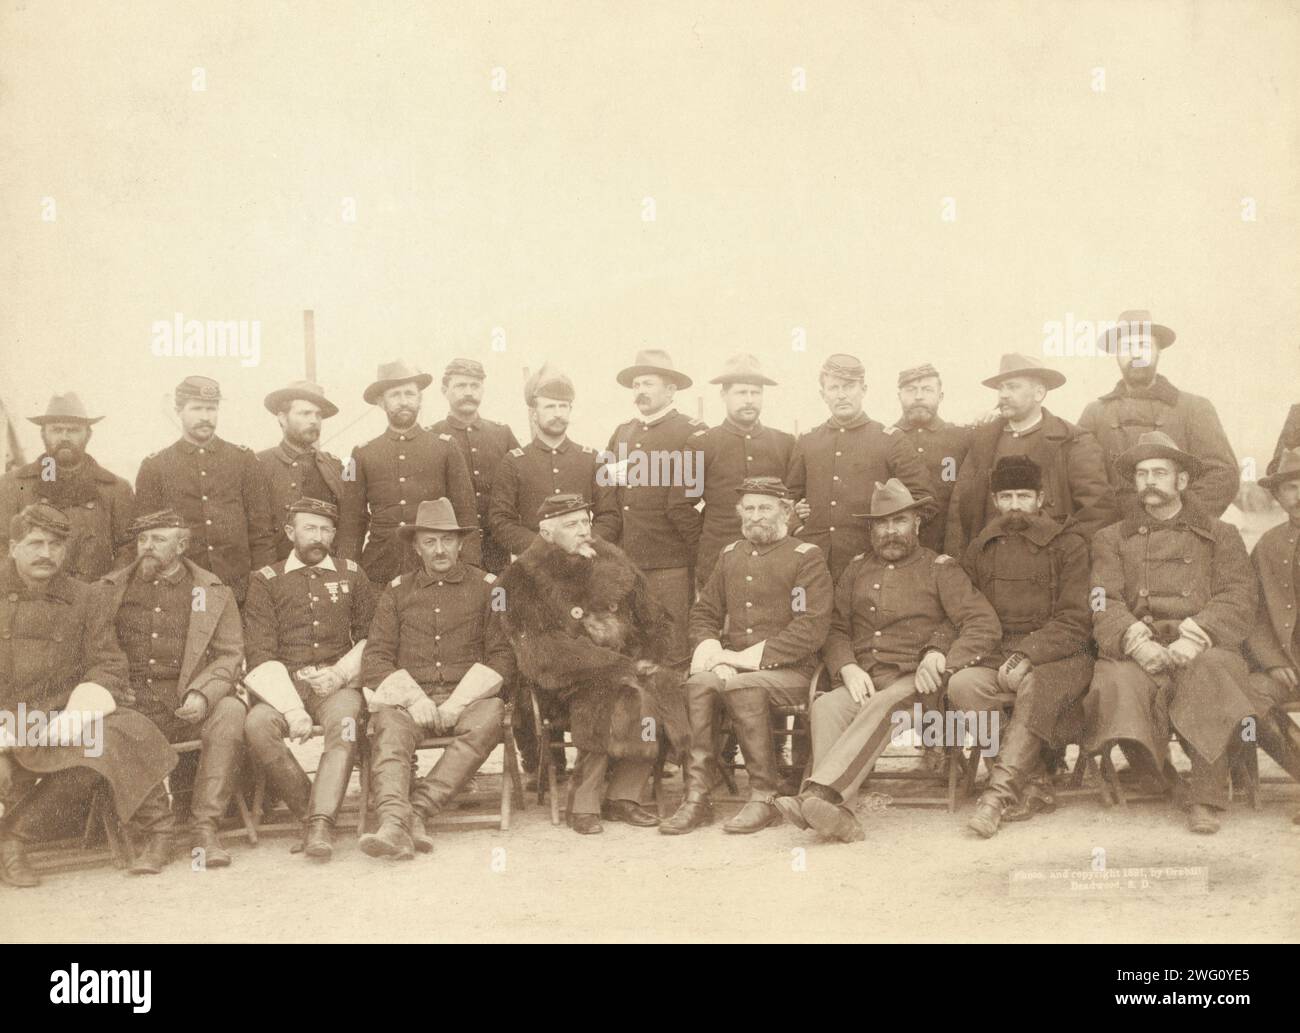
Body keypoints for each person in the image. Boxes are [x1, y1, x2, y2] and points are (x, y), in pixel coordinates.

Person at [775, 480, 999, 842]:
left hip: (918, 686)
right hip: (864, 677)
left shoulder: (940, 569)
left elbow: (982, 623)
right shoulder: (856, 568)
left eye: (900, 521)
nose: (890, 531)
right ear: (870, 529)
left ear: (918, 524)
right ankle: (841, 815)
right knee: (828, 706)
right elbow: (834, 627)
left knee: (885, 705)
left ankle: (819, 795)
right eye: (881, 523)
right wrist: (846, 666)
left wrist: (942, 656)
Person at [1085, 431, 1257, 834]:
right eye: (1142, 473)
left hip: (1202, 644)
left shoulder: (1221, 534)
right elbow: (1100, 599)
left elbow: (1238, 596)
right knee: (1115, 681)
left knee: (1211, 674)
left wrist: (1194, 637)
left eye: (1160, 472)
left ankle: (1206, 796)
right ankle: (1164, 780)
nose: (1149, 481)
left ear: (1182, 481)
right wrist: (1135, 640)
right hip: (1137, 644)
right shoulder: (1111, 538)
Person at [0, 504, 175, 887]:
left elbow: (108, 664)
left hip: (63, 714)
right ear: (13, 547)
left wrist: (78, 713)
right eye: (35, 543)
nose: (46, 553)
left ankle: (13, 839)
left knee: (116, 738)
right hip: (10, 716)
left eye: (55, 545)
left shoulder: (86, 598)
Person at [499, 493, 689, 835]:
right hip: (564, 679)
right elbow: (539, 648)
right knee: (607, 695)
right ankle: (583, 802)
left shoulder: (612, 559)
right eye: (571, 525)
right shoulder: (522, 575)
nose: (583, 530)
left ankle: (624, 796)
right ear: (546, 531)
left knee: (654, 694)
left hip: (627, 668)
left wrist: (647, 657)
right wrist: (611, 664)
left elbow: (655, 619)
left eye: (586, 522)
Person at [661, 477, 831, 836]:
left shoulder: (806, 557)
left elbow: (810, 628)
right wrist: (710, 648)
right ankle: (697, 796)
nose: (756, 516)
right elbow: (705, 611)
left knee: (741, 687)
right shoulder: (730, 555)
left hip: (793, 673)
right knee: (700, 684)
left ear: (785, 511)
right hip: (736, 668)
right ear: (740, 513)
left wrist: (739, 660)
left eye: (765, 507)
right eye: (749, 508)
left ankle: (764, 796)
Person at [358, 498, 513, 859]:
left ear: (460, 543)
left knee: (488, 717)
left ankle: (417, 811)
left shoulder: (490, 588)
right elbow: (376, 657)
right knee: (389, 729)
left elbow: (503, 657)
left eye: (447, 540)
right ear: (416, 547)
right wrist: (415, 700)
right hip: (414, 699)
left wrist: (459, 701)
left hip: (470, 699)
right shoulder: (396, 592)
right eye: (430, 542)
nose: (440, 550)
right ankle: (394, 823)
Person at [948, 456, 1094, 838]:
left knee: (1034, 684)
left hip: (1061, 653)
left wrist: (1028, 654)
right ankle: (1034, 782)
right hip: (998, 650)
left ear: (1040, 498)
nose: (1015, 506)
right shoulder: (981, 547)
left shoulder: (1069, 545)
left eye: (1023, 496)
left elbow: (1077, 618)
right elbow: (966, 608)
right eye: (1007, 496)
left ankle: (996, 797)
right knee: (963, 685)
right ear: (995, 501)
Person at [98, 508, 247, 868]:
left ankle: (205, 829)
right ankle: (158, 833)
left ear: (181, 545)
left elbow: (230, 655)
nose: (147, 547)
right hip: (131, 703)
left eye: (158, 539)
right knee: (110, 726)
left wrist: (203, 691)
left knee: (230, 711)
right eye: (142, 539)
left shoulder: (212, 591)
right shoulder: (108, 591)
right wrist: (114, 688)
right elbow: (95, 652)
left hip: (185, 703)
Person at [241, 498, 377, 860]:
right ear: (290, 532)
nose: (318, 537)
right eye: (309, 528)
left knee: (346, 723)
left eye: (325, 529)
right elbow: (259, 653)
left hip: (337, 684)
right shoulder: (265, 581)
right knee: (256, 725)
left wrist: (338, 675)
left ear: (334, 534)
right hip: (284, 685)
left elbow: (371, 639)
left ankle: (319, 825)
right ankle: (311, 813)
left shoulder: (352, 574)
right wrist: (291, 709)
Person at [945, 353, 1114, 557]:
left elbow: (1096, 512)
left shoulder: (1074, 441)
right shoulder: (983, 441)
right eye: (1001, 388)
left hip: (1050, 566)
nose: (1004, 395)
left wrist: (1072, 560)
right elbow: (960, 506)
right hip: (989, 565)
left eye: (1013, 387)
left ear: (1039, 393)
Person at [786, 354, 935, 581]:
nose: (842, 394)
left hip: (871, 561)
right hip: (815, 561)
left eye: (849, 386)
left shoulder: (890, 439)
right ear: (823, 394)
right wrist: (797, 525)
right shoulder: (808, 440)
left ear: (863, 389)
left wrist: (891, 536)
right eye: (834, 387)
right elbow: (788, 497)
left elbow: (923, 499)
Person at [1078, 310, 1239, 516]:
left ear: (1158, 351)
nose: (1136, 354)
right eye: (1126, 347)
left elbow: (1223, 474)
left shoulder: (1194, 408)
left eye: (1144, 346)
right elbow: (1082, 480)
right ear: (1116, 355)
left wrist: (1181, 518)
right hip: (1115, 534)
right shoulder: (1095, 414)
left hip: (1180, 533)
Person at [135, 376, 276, 604]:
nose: (205, 417)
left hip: (237, 587)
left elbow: (261, 530)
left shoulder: (243, 460)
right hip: (180, 588)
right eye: (196, 408)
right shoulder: (155, 466)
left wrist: (260, 585)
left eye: (211, 409)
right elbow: (146, 538)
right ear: (178, 411)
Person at [605, 349, 707, 665]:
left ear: (671, 390)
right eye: (636, 385)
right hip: (629, 559)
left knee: (673, 648)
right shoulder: (623, 432)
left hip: (671, 561)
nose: (640, 392)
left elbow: (694, 498)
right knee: (634, 645)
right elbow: (606, 488)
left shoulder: (691, 430)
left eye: (648, 384)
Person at [338, 360, 479, 584]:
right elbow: (352, 520)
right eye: (395, 395)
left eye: (410, 394)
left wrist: (470, 567)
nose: (404, 402)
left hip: (433, 562)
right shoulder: (362, 453)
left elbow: (465, 510)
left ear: (420, 399)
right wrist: (346, 572)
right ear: (381, 402)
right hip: (380, 563)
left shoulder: (445, 447)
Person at [0, 392, 135, 582]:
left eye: (73, 430)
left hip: (93, 598)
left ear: (87, 434)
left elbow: (128, 548)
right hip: (32, 597)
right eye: (56, 430)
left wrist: (107, 586)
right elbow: (3, 544)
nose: (64, 437)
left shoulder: (115, 488)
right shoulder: (12, 484)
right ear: (43, 434)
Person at [693, 354, 796, 588]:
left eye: (755, 393)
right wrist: (707, 540)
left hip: (774, 558)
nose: (749, 400)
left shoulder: (784, 443)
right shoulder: (703, 443)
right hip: (718, 557)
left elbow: (793, 497)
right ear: (724, 395)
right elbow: (680, 505)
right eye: (741, 393)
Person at [1243, 448, 1300, 822]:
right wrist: (1273, 660)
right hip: (1289, 665)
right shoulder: (1269, 545)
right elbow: (1252, 613)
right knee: (1246, 696)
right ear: (1278, 496)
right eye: (1292, 487)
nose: (1299, 495)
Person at [430, 358, 520, 575]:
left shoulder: (502, 433)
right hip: (450, 550)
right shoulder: (432, 435)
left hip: (497, 548)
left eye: (475, 386)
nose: (469, 392)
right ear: (445, 390)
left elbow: (521, 485)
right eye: (461, 386)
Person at [257, 380, 345, 561]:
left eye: (318, 415)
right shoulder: (259, 464)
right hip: (278, 570)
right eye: (305, 413)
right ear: (282, 418)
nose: (314, 420)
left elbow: (347, 524)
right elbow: (256, 531)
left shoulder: (334, 466)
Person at [892, 364, 972, 555]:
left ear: (940, 396)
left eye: (927, 389)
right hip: (896, 548)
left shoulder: (962, 438)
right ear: (899, 396)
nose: (918, 396)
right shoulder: (885, 439)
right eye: (911, 390)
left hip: (946, 547)